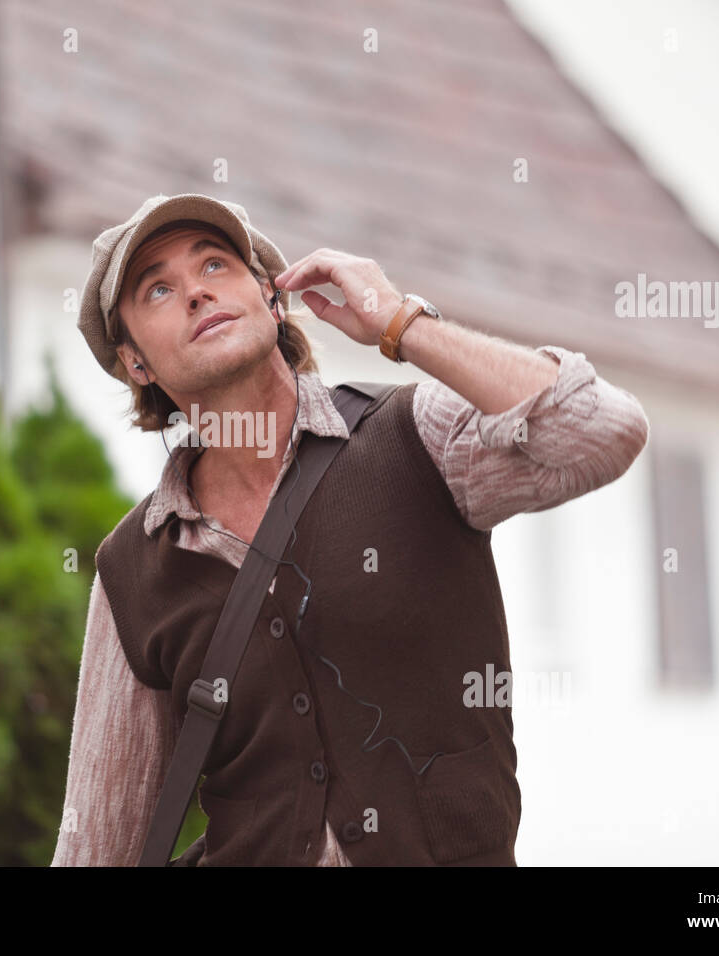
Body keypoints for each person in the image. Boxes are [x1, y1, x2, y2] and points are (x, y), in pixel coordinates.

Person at [52, 192, 649, 866]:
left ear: (271, 299)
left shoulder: (417, 438)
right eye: (158, 288)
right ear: (136, 362)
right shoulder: (132, 570)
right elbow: (96, 845)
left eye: (215, 264)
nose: (194, 292)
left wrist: (401, 322)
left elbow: (605, 432)